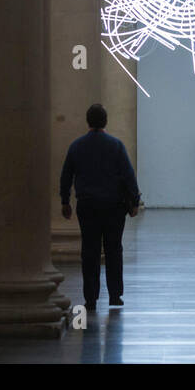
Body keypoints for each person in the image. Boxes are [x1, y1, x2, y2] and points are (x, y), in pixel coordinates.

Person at [60, 103, 141, 310]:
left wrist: (65, 201)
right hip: (113, 207)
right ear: (106, 121)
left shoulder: (76, 146)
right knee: (114, 249)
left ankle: (90, 298)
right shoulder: (116, 145)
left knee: (90, 251)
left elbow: (66, 175)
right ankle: (115, 295)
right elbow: (128, 176)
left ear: (88, 121)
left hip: (87, 206)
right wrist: (134, 201)